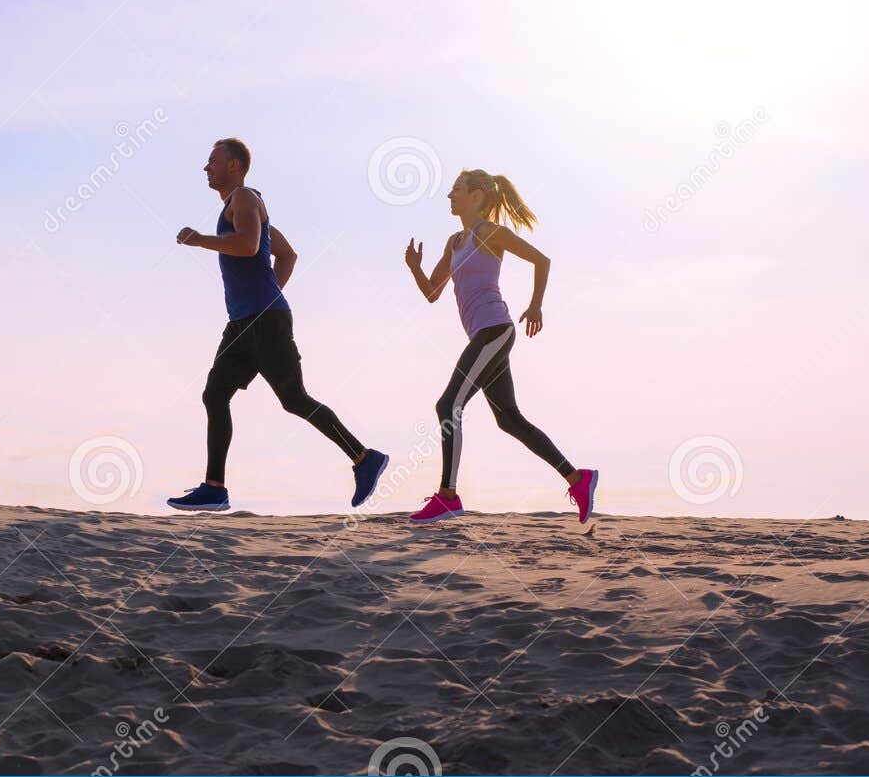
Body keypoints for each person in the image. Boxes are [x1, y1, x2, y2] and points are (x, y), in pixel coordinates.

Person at [168, 138, 388, 513]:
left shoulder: (246, 198)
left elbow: (251, 246)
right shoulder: (238, 207)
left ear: (234, 165)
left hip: (265, 321)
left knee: (294, 400)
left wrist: (201, 241)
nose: (206, 168)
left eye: (213, 161)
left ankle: (364, 458)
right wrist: (270, 292)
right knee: (214, 394)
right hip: (242, 323)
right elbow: (286, 253)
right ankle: (214, 488)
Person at [402, 168, 598, 530]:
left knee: (448, 404)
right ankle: (577, 479)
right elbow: (432, 292)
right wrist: (415, 269)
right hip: (483, 336)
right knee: (508, 418)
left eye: (457, 190)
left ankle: (448, 496)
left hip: (495, 332)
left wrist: (536, 304)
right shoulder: (454, 242)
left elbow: (542, 260)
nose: (450, 196)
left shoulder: (489, 233)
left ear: (477, 196)